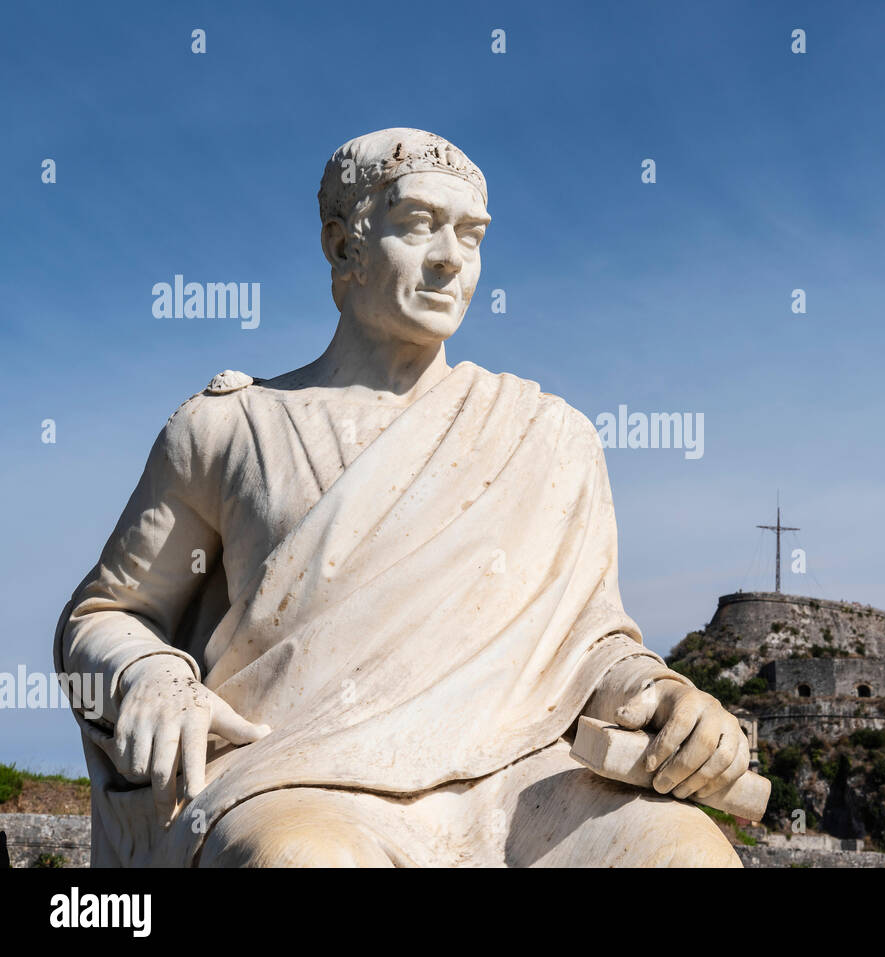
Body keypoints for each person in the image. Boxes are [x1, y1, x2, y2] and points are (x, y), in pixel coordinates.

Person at [55, 128, 746, 867]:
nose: (451, 258)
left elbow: (592, 647)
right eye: (419, 226)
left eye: (470, 236)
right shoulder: (230, 429)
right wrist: (148, 676)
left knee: (685, 853)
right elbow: (107, 615)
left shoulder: (549, 436)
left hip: (522, 779)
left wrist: (664, 696)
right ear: (341, 244)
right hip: (303, 776)